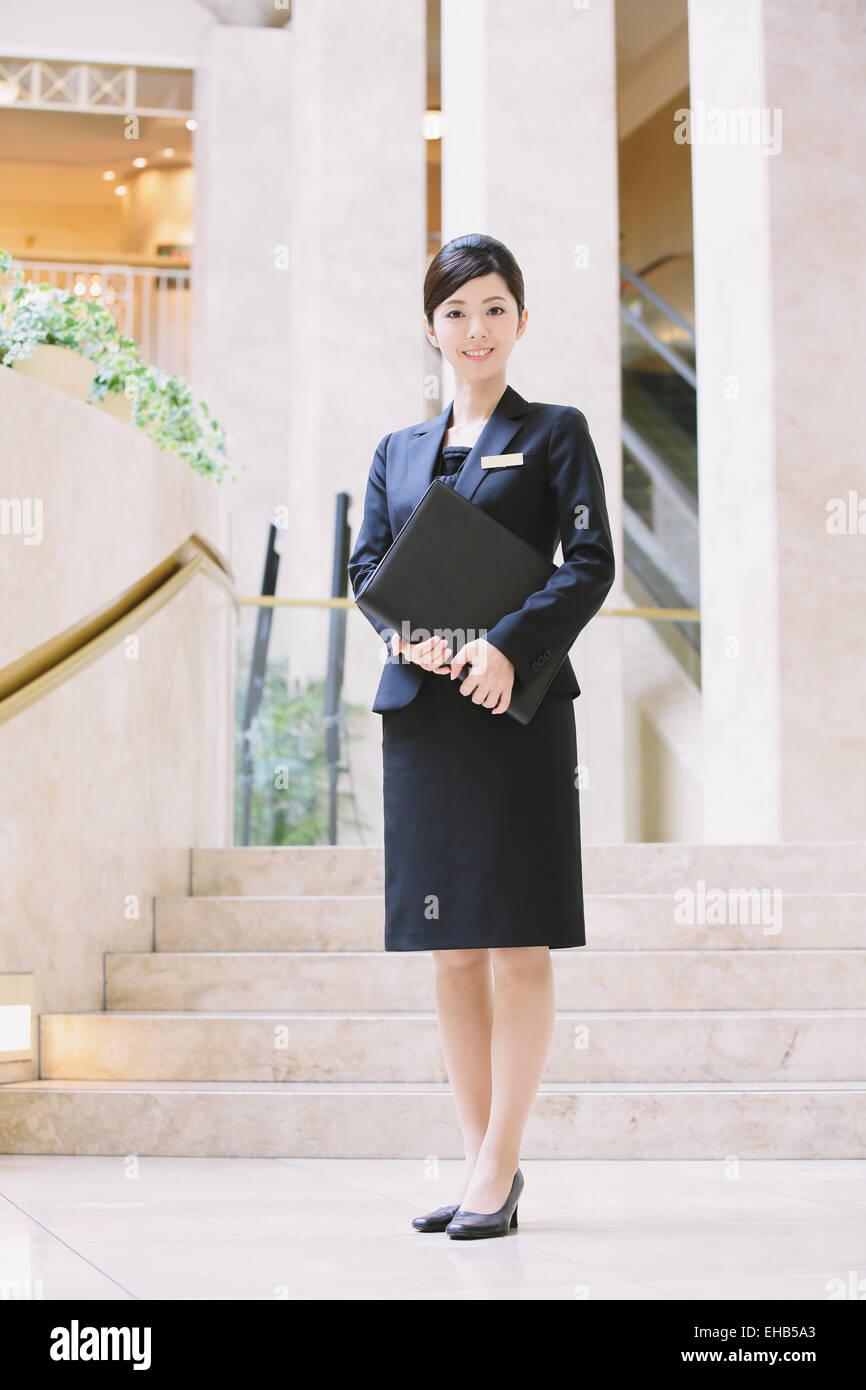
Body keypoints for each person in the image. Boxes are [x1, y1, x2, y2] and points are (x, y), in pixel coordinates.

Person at [348, 232, 615, 1239]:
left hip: (514, 708)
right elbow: (366, 567)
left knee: (513, 939)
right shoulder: (395, 451)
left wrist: (507, 644)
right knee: (449, 950)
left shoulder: (554, 433)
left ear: (520, 321)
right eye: (455, 312)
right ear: (430, 327)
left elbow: (587, 563)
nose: (474, 328)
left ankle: (498, 1168)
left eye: (493, 308)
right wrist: (405, 635)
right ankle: (479, 1169)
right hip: (424, 715)